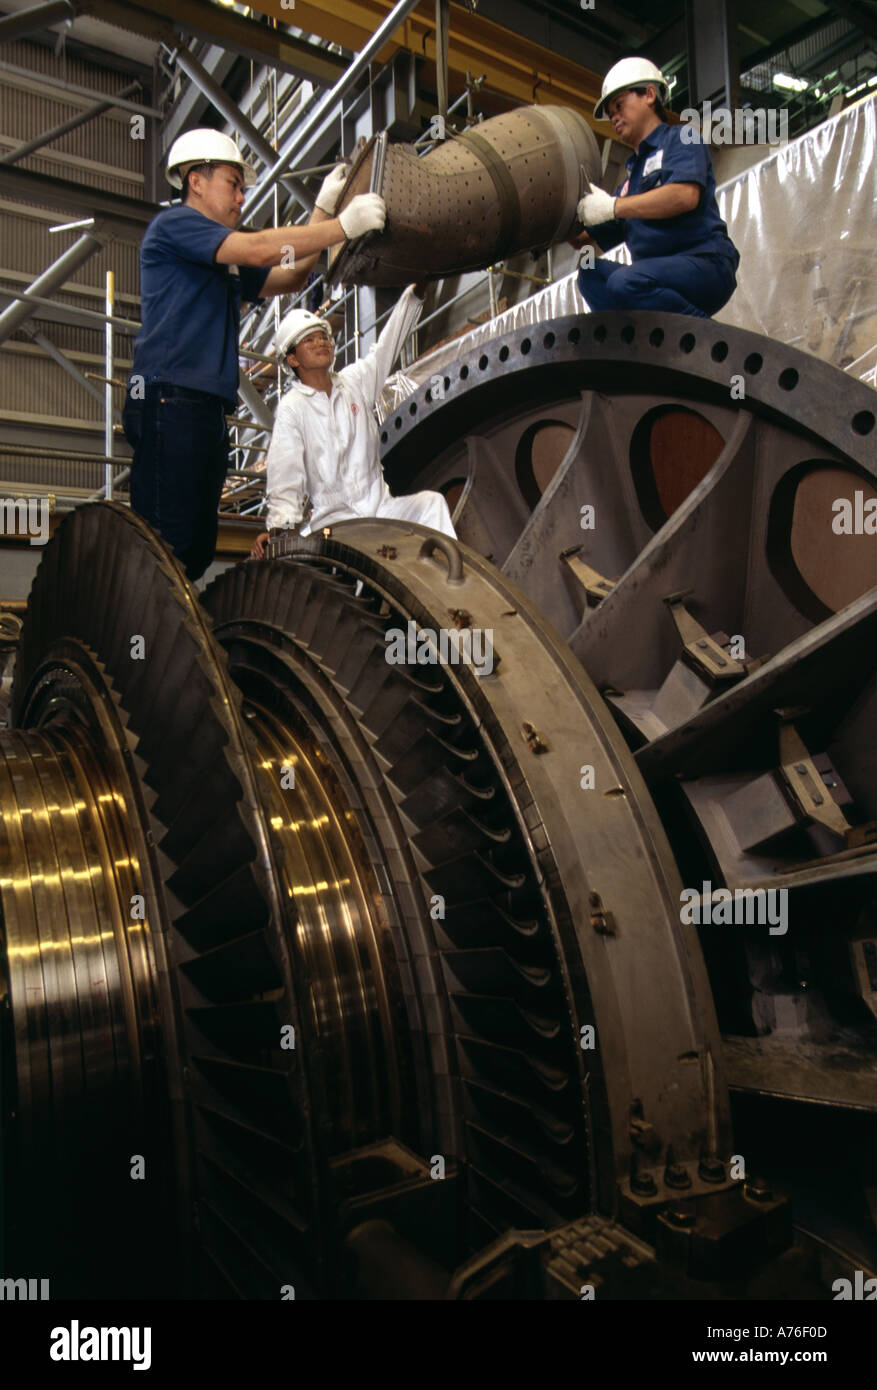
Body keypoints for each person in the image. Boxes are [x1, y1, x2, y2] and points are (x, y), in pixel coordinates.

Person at [123, 129, 386, 580]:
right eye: (233, 183)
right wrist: (340, 227)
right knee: (166, 545)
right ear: (195, 181)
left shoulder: (220, 256)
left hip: (204, 408)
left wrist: (323, 208)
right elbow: (262, 247)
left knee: (196, 549)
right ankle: (142, 640)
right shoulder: (175, 227)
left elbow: (291, 277)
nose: (242, 197)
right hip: (168, 398)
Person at [250, 284, 455, 557]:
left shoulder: (354, 382)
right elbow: (285, 479)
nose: (321, 342)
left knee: (432, 504)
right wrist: (279, 530)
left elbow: (385, 350)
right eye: (309, 340)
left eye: (323, 336)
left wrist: (415, 294)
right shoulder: (292, 409)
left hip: (380, 508)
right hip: (334, 524)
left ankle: (450, 585)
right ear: (292, 359)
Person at [573, 58, 739, 319]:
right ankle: (635, 348)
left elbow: (684, 196)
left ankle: (703, 336)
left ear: (650, 94)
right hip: (655, 276)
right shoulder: (631, 181)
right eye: (610, 113)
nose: (614, 117)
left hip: (706, 264)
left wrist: (614, 206)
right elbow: (582, 237)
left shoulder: (682, 139)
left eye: (619, 106)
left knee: (625, 283)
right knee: (590, 274)